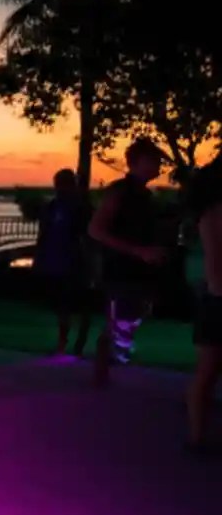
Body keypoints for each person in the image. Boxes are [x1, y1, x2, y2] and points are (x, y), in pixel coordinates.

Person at [89, 138, 169, 384]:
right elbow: (95, 229)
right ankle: (105, 366)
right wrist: (138, 251)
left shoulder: (146, 196)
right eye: (153, 160)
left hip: (141, 270)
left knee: (134, 314)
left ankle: (113, 357)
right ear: (136, 162)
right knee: (118, 318)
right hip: (120, 269)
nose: (158, 165)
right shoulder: (119, 192)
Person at [183, 157, 222, 453]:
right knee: (207, 371)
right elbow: (214, 268)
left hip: (213, 298)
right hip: (216, 299)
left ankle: (198, 436)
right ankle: (197, 437)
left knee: (207, 371)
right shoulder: (213, 215)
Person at [36, 169, 94, 356]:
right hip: (57, 262)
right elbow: (43, 235)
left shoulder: (82, 208)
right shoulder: (52, 207)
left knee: (80, 305)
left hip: (76, 262)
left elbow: (89, 236)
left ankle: (78, 343)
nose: (59, 188)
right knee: (63, 306)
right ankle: (64, 342)